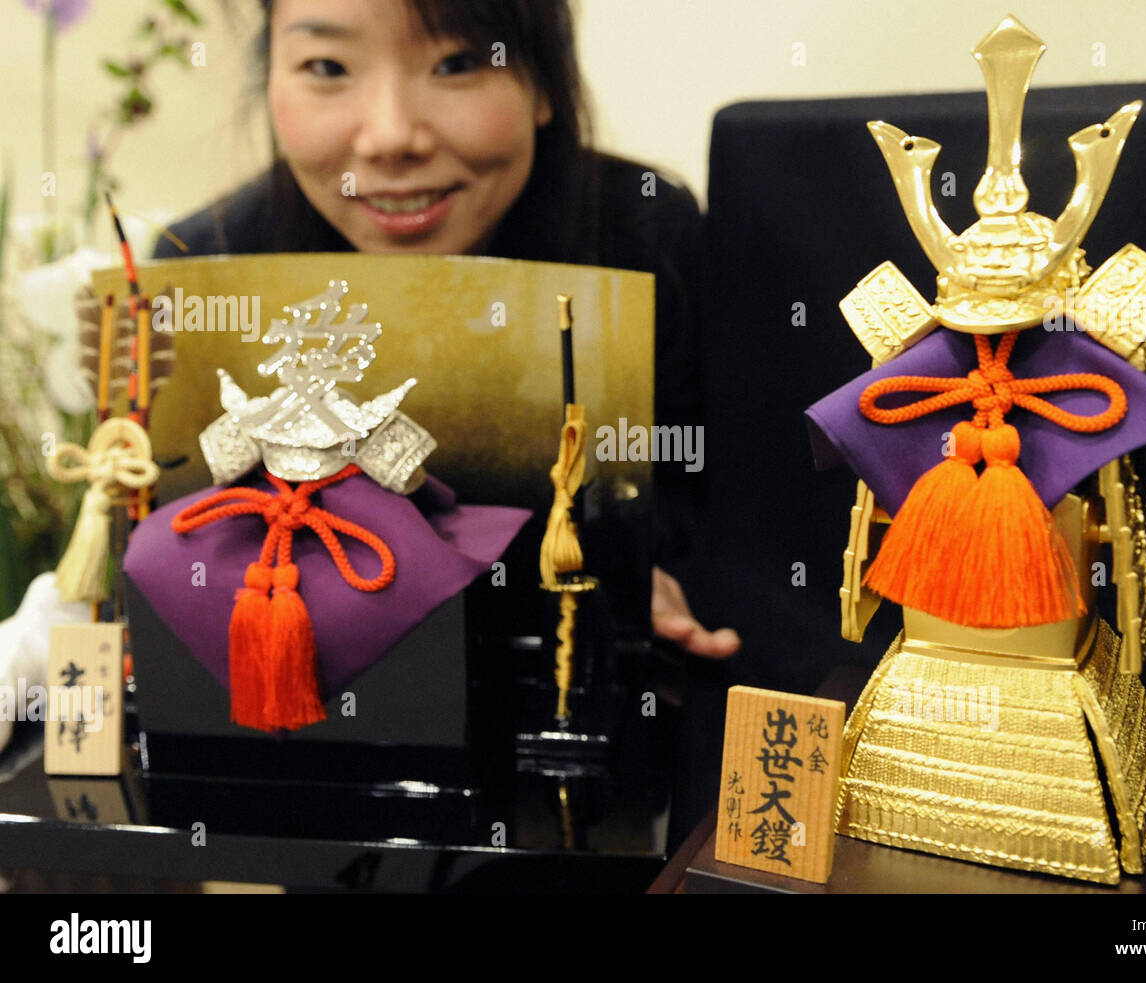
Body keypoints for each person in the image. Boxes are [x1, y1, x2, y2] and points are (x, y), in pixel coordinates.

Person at [154, 0, 739, 659]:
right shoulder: (210, 268)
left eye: (456, 63)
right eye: (327, 66)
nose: (391, 136)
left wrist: (655, 576)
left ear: (545, 82)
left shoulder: (644, 235)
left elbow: (714, 502)